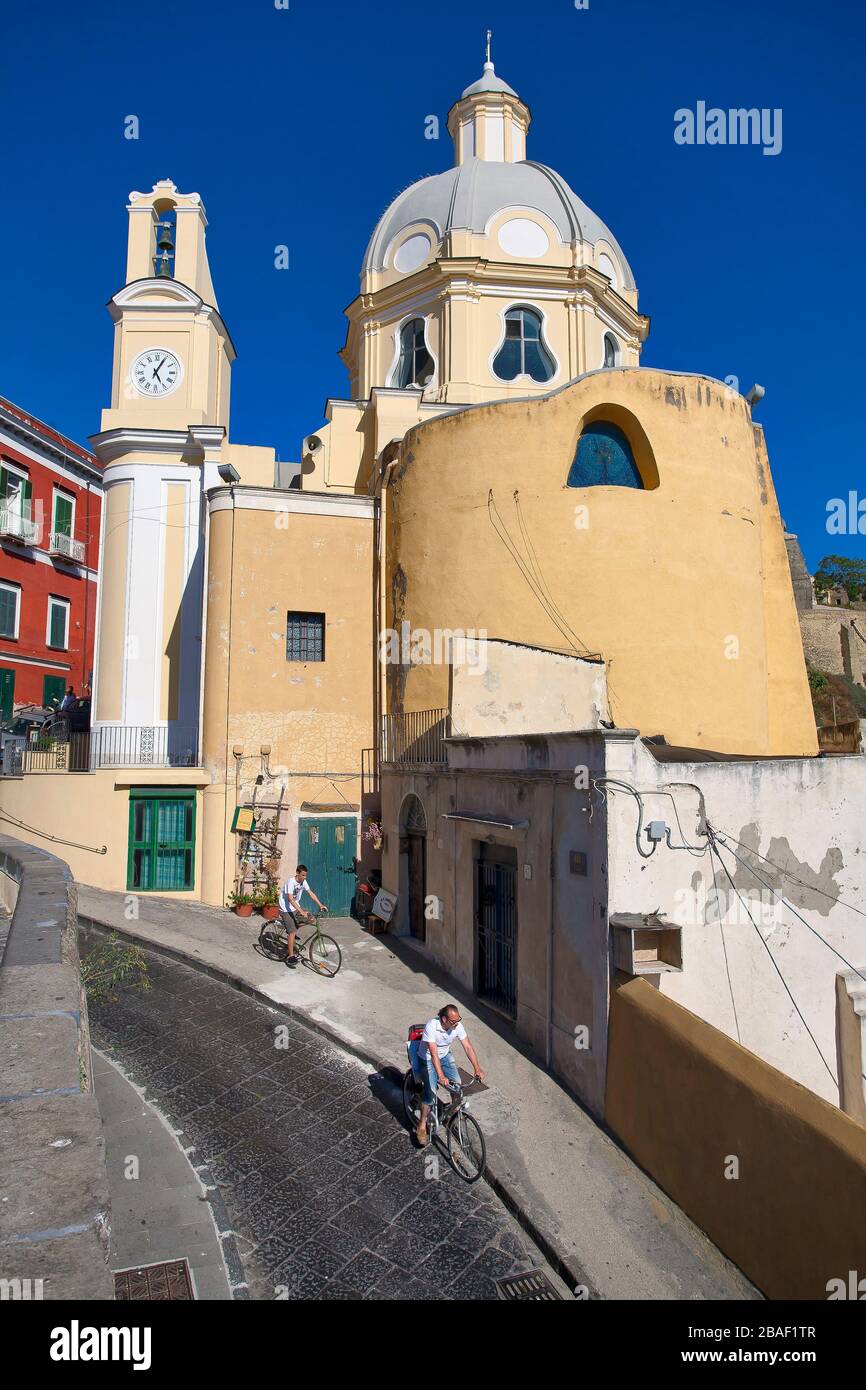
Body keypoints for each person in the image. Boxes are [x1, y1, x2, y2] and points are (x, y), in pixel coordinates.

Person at [413, 1004, 485, 1146]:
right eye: (453, 1021)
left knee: (457, 1087)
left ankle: (453, 1117)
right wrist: (441, 1075)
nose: (457, 1023)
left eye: (458, 1020)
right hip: (427, 1058)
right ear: (444, 1019)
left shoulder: (457, 1026)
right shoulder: (432, 1026)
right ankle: (422, 1125)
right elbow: (433, 1053)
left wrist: (477, 1068)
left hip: (445, 1056)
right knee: (430, 1093)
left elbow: (468, 1046)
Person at [278, 864, 328, 969]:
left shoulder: (303, 882)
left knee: (311, 919)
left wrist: (320, 905)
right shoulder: (290, 882)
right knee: (292, 932)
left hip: (295, 908)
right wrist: (301, 911)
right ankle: (290, 956)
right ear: (297, 873)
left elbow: (311, 893)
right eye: (303, 875)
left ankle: (291, 928)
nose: (304, 878)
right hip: (285, 909)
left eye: (306, 875)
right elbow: (290, 899)